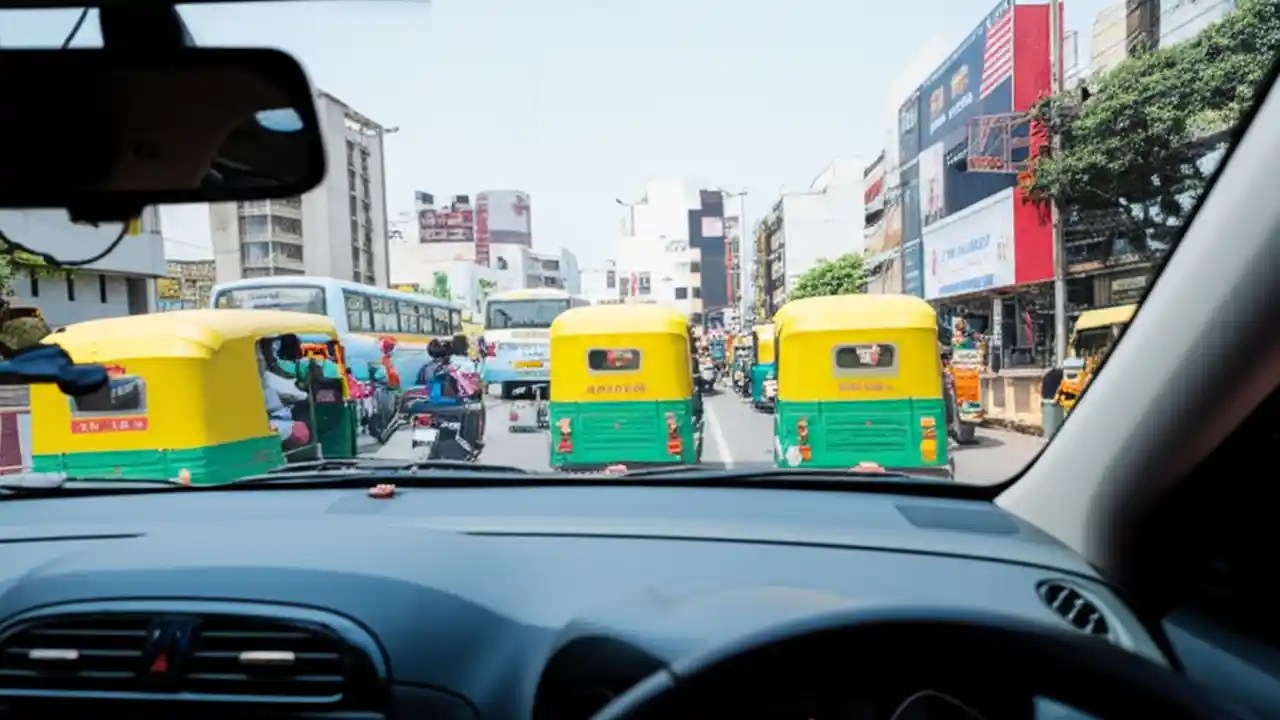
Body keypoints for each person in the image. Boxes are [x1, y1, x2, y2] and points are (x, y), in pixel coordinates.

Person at [258, 348, 311, 452]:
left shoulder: (266, 378)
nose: (259, 360)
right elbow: (296, 394)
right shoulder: (266, 378)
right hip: (271, 422)